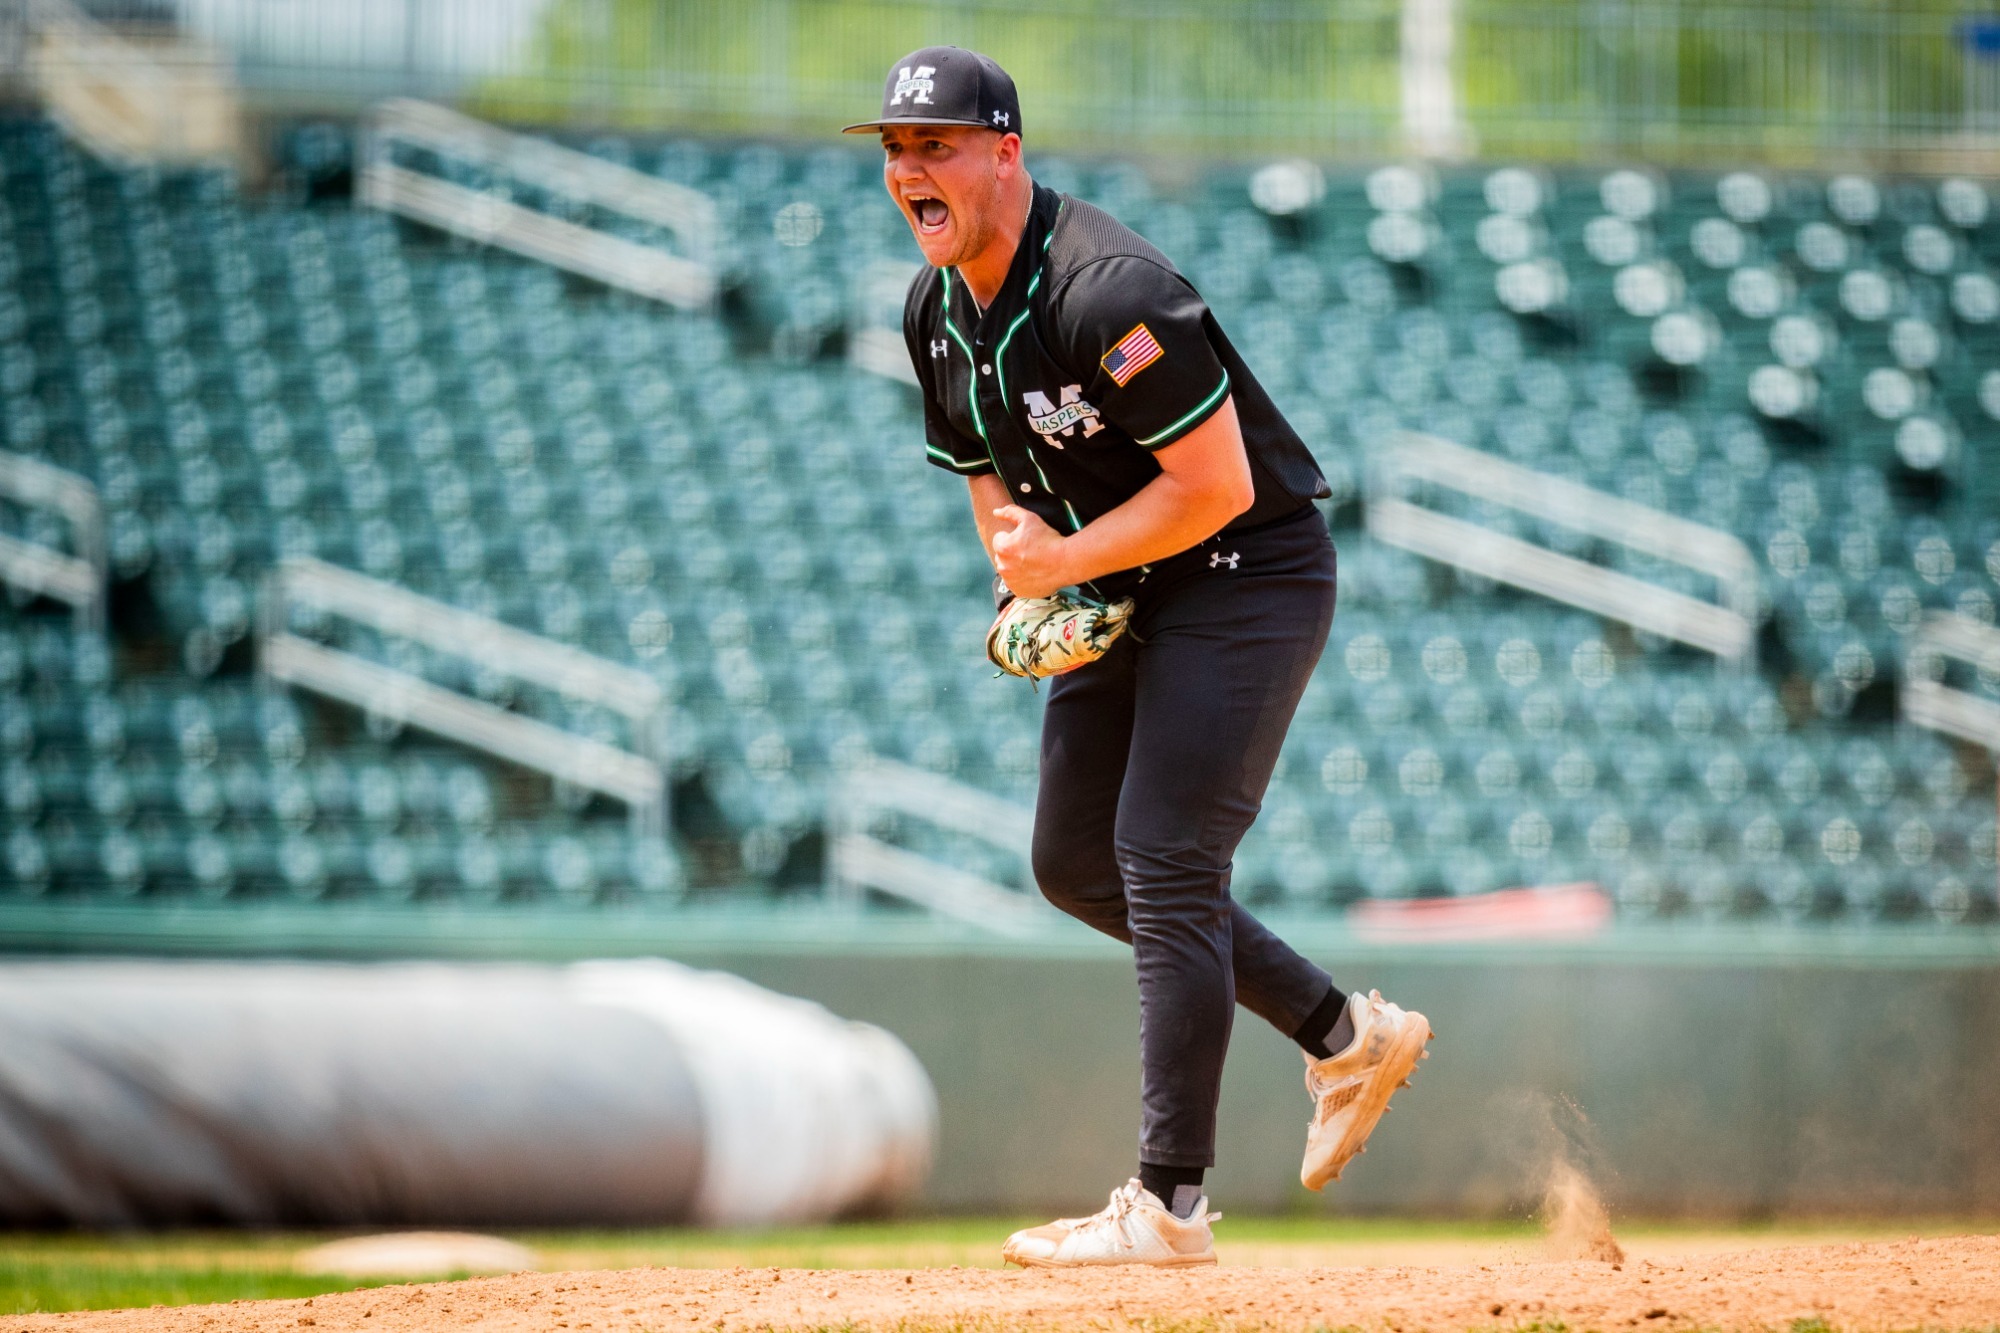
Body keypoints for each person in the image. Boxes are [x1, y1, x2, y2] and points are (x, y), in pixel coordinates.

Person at [845, 47, 1432, 1268]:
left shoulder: (1106, 287)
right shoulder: (934, 309)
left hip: (1246, 571)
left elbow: (1215, 488)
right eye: (897, 149)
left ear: (1006, 151)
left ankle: (1167, 1205)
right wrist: (1030, 578)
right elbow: (994, 496)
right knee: (1072, 862)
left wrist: (1061, 565)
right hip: (1126, 579)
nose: (910, 169)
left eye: (937, 144)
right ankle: (1341, 1035)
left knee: (1163, 855)